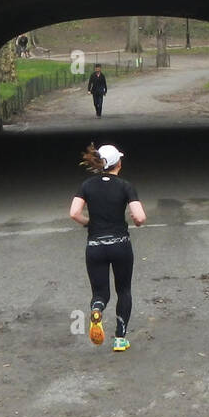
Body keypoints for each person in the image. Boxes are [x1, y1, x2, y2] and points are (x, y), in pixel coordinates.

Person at [70, 143, 146, 352]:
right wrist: (136, 221)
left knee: (101, 293)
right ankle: (120, 339)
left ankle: (97, 309)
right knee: (124, 290)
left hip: (95, 246)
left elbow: (74, 213)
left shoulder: (86, 185)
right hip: (120, 245)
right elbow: (139, 216)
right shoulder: (125, 186)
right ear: (118, 164)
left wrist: (89, 224)